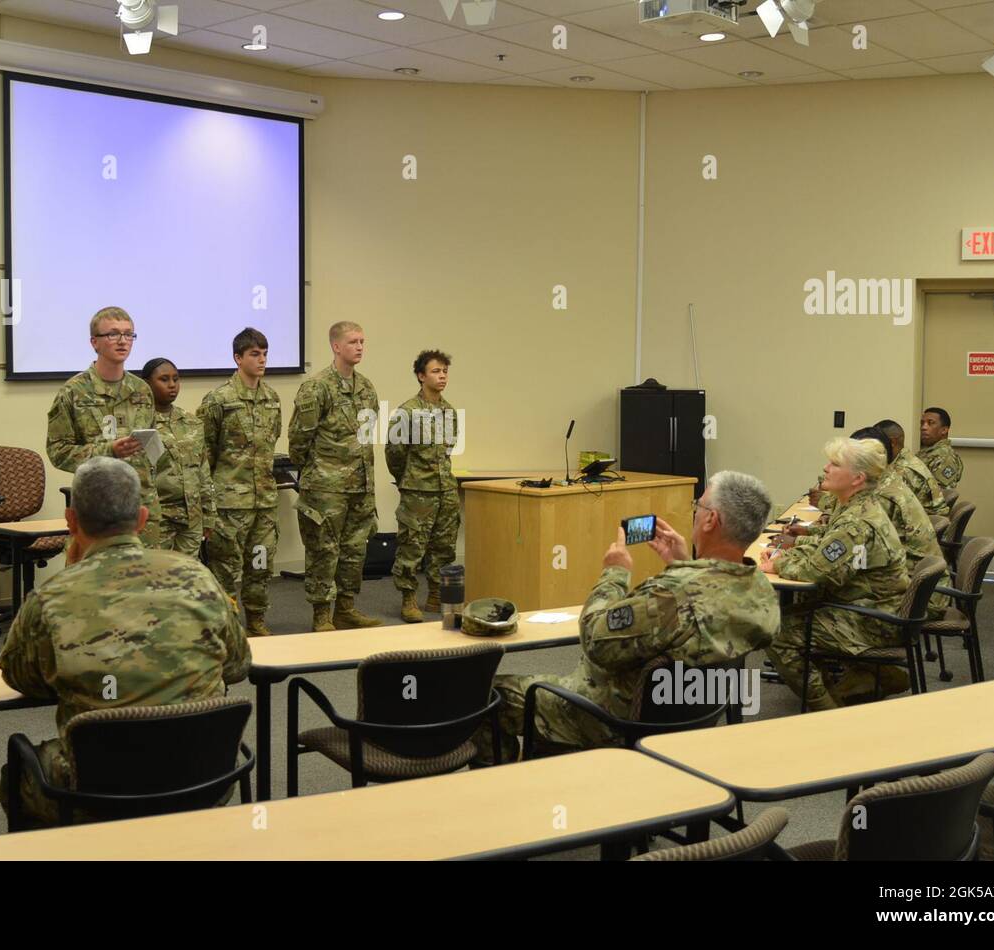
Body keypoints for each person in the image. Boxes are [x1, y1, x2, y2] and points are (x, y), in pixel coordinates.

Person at [0, 457, 248, 826]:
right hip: (205, 777)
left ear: (71, 521)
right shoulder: (200, 578)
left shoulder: (52, 598)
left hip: (96, 791)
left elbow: (22, 678)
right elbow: (238, 665)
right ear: (143, 519)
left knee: (17, 772)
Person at [472, 471, 780, 764]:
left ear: (712, 520)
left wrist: (614, 573)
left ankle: (502, 796)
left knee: (486, 697)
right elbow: (706, 607)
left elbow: (594, 639)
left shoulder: (670, 597)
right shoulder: (759, 590)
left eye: (698, 506)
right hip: (688, 721)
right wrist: (683, 564)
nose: (695, 513)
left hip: (613, 719)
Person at [762, 437, 910, 712]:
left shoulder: (856, 522)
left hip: (872, 619)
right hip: (871, 606)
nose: (826, 468)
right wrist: (789, 555)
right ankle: (867, 679)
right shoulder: (855, 506)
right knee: (795, 615)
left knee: (776, 633)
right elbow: (826, 551)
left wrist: (778, 564)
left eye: (835, 463)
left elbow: (816, 573)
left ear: (857, 478)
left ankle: (827, 713)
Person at [787, 427, 948, 621]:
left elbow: (836, 556)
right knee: (807, 600)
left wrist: (787, 554)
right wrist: (804, 538)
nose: (826, 468)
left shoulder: (880, 497)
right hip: (895, 588)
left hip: (904, 598)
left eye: (837, 463)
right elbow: (841, 539)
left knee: (787, 623)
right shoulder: (873, 491)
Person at [288, 321, 381, 631]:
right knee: (324, 552)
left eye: (362, 341)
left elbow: (367, 439)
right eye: (353, 341)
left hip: (359, 486)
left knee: (355, 551)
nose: (359, 347)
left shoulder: (366, 387)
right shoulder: (317, 387)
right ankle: (321, 616)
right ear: (336, 346)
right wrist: (317, 473)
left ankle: (346, 608)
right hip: (326, 488)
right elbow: (299, 439)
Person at [46, 306, 161, 547]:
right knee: (95, 582)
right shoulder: (73, 392)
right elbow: (58, 452)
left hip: (140, 506)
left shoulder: (142, 390)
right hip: (96, 511)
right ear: (94, 343)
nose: (123, 341)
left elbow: (152, 449)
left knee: (142, 582)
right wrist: (109, 451)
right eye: (113, 334)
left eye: (129, 334)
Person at [199, 328, 281, 637]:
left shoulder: (272, 398)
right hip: (230, 503)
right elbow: (204, 454)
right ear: (238, 358)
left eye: (264, 354)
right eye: (254, 354)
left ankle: (257, 619)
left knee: (260, 564)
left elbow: (271, 442)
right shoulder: (219, 400)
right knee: (226, 568)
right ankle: (227, 625)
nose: (262, 360)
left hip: (264, 502)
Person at [386, 349, 459, 622]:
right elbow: (394, 453)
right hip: (418, 491)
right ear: (420, 376)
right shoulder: (407, 412)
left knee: (443, 547)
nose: (442, 376)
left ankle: (436, 595)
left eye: (444, 371)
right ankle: (408, 599)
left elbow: (448, 450)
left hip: (446, 490)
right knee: (411, 547)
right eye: (435, 371)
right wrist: (407, 480)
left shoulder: (449, 412)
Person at [139, 357, 215, 557]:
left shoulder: (191, 422)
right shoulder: (140, 425)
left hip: (191, 517)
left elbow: (203, 471)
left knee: (187, 578)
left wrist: (209, 514)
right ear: (147, 384)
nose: (172, 385)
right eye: (164, 379)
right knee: (157, 578)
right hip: (158, 518)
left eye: (176, 379)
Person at [875, 419, 948, 517]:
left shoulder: (904, 470)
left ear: (892, 442)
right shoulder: (905, 459)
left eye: (876, 442)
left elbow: (887, 508)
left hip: (919, 525)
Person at [918, 406, 964, 492]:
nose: (923, 427)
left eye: (930, 423)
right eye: (922, 423)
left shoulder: (944, 457)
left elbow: (941, 496)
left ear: (944, 430)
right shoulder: (927, 452)